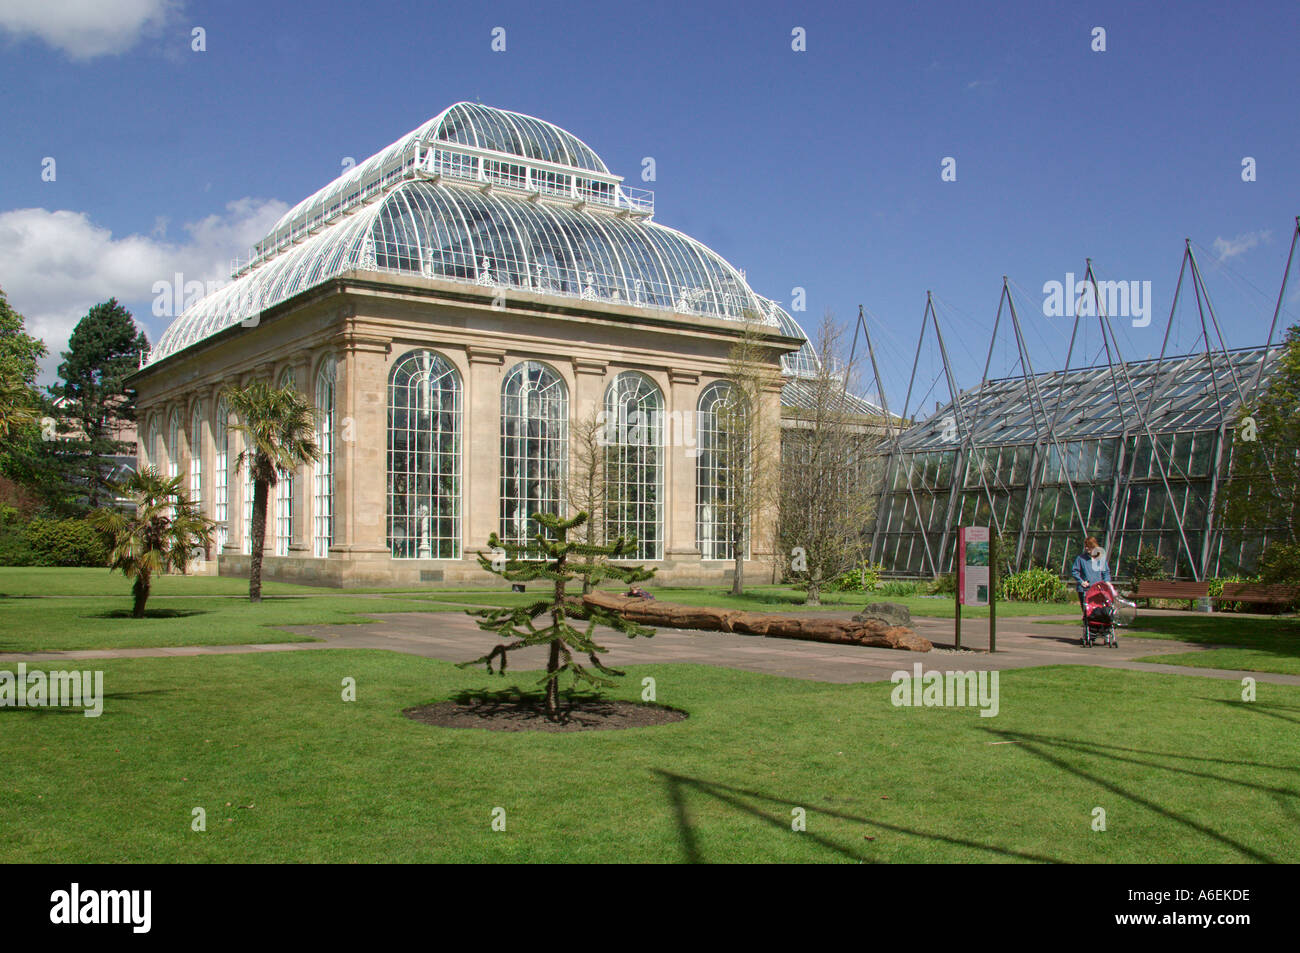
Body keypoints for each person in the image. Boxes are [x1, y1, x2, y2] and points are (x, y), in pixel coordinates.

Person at [1070, 536, 1111, 613]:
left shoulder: (1100, 559)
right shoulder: (1080, 559)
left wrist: (1107, 582)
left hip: (1098, 590)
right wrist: (1081, 582)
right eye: (1085, 547)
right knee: (1087, 612)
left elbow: (1105, 572)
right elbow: (1075, 571)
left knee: (1098, 611)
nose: (1086, 548)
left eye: (1088, 547)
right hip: (1085, 590)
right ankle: (1086, 623)